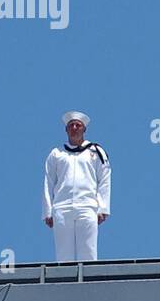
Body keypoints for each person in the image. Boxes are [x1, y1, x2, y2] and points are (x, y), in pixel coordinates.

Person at [42, 111, 110, 262]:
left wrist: (103, 208)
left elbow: (104, 179)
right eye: (71, 125)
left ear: (84, 129)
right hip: (62, 207)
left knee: (88, 252)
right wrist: (48, 211)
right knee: (63, 256)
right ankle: (64, 283)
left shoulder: (96, 152)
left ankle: (89, 284)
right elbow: (49, 181)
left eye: (78, 125)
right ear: (66, 130)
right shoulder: (56, 154)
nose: (74, 128)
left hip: (87, 206)